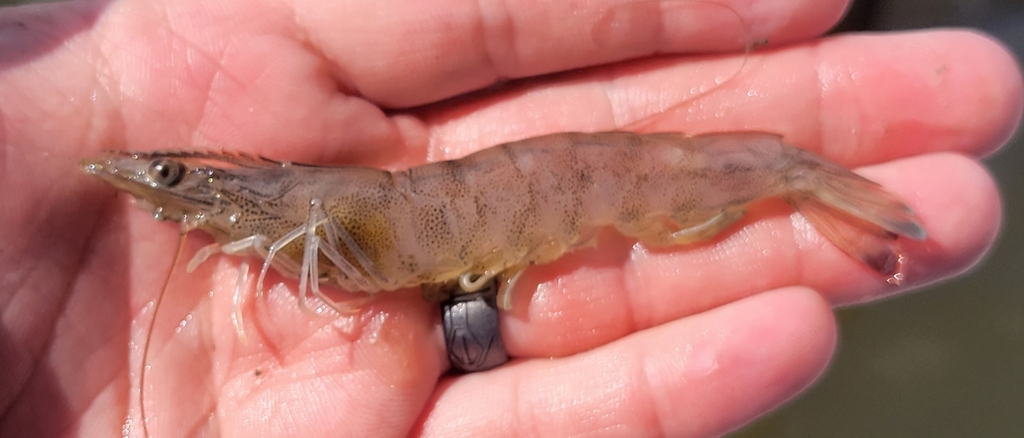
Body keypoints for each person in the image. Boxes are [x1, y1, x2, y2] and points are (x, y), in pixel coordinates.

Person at [0, 0, 1019, 436]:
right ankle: (806, 180)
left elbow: (321, 238)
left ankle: (799, 176)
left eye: (179, 175)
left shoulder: (301, 222)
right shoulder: (259, 205)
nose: (180, 191)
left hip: (542, 193)